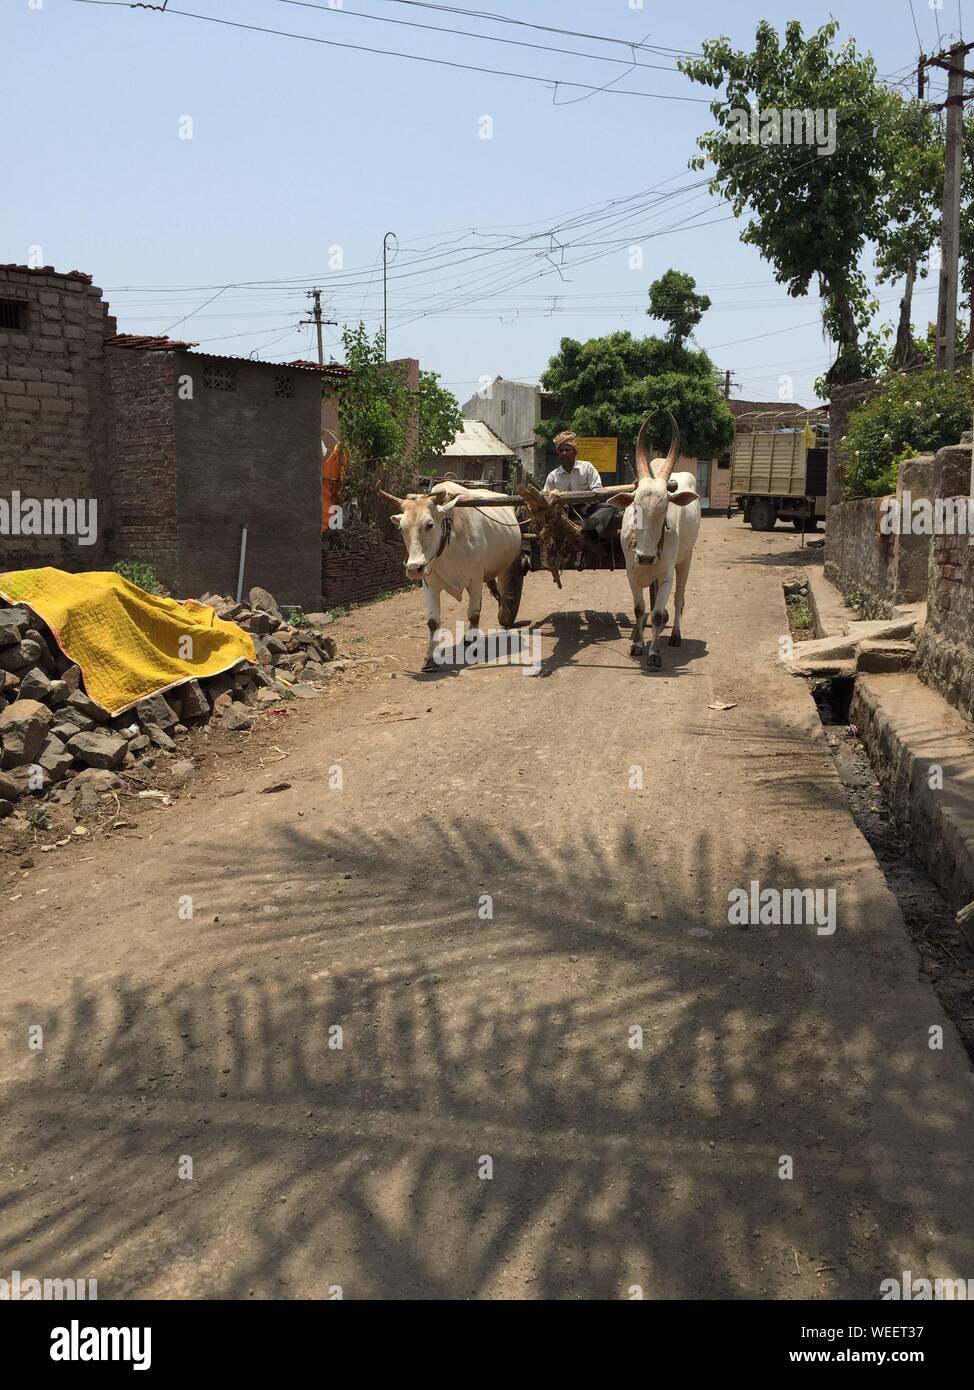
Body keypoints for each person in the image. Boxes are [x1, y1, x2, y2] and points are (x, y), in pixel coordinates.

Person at [543, 430, 619, 544]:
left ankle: (588, 531)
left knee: (611, 505)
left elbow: (598, 491)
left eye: (567, 450)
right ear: (558, 454)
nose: (564, 453)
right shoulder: (553, 476)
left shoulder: (587, 468)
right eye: (561, 450)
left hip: (588, 510)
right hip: (563, 513)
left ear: (574, 452)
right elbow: (546, 498)